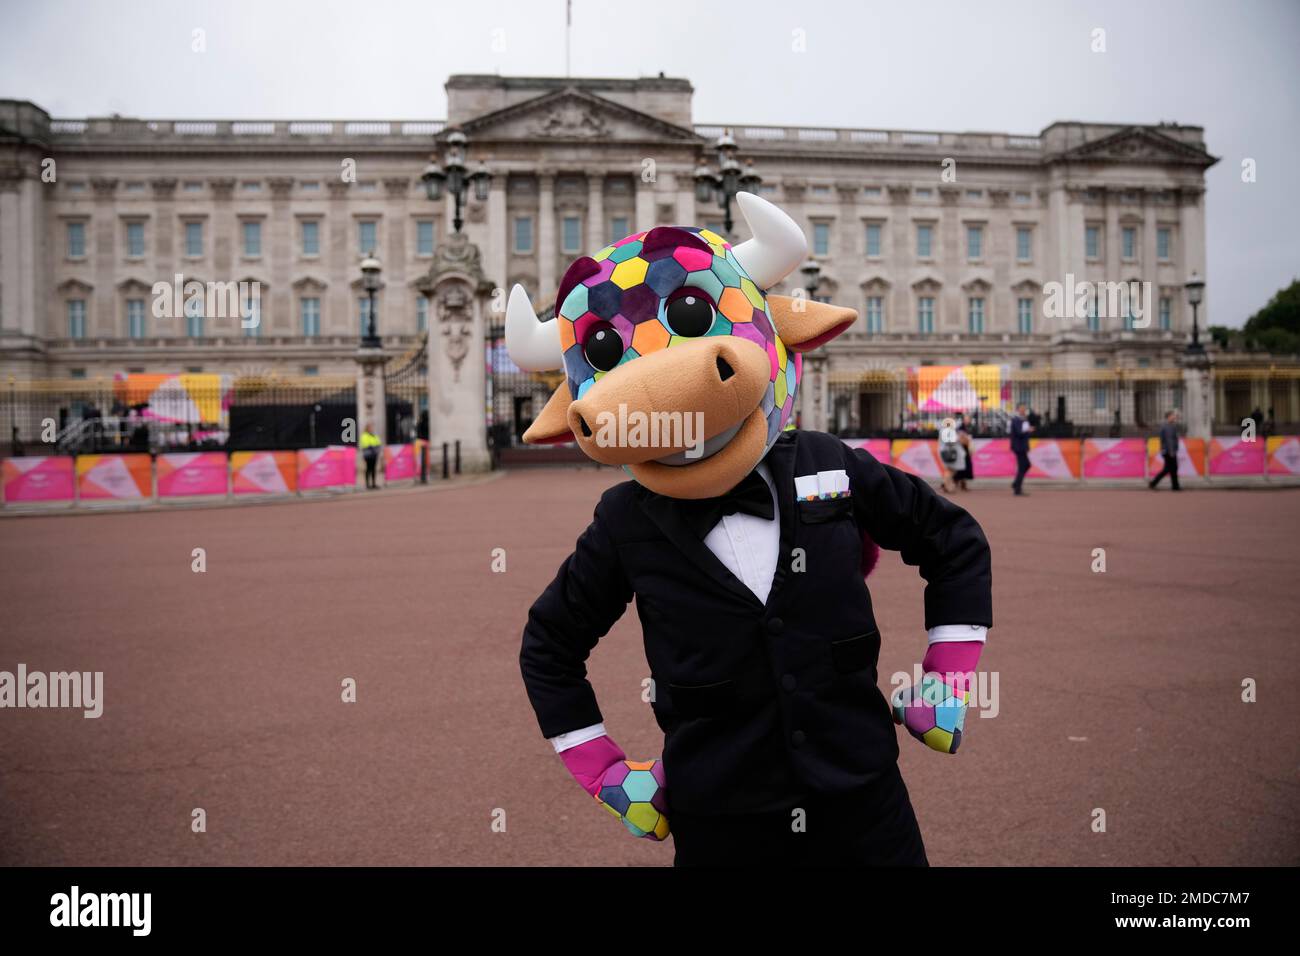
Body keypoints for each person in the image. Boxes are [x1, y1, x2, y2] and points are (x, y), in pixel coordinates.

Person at [514, 194, 992, 866]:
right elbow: (549, 645)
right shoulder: (625, 520)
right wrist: (606, 771)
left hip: (863, 799)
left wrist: (947, 678)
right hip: (721, 820)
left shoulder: (830, 463)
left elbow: (954, 543)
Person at [1149, 410, 1181, 491]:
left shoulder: (1170, 426)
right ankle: (1154, 483)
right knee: (1169, 468)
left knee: (1172, 468)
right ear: (1169, 417)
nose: (1174, 417)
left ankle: (1175, 486)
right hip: (1169, 451)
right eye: (1173, 415)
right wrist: (1171, 451)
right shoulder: (1168, 427)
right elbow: (1169, 440)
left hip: (1168, 450)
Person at [1009, 403, 1033, 496]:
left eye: (1024, 409)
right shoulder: (1016, 419)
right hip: (1018, 447)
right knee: (1023, 466)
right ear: (1018, 409)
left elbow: (1024, 434)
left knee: (1026, 465)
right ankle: (1017, 487)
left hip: (1022, 446)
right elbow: (1019, 432)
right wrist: (1028, 430)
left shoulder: (1024, 419)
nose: (1023, 410)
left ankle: (1016, 483)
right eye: (1021, 409)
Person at [937, 416, 965, 493]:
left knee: (951, 470)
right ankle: (947, 486)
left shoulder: (944, 430)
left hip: (947, 451)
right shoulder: (947, 431)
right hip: (949, 452)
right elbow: (950, 441)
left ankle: (947, 484)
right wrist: (958, 438)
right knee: (950, 470)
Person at [953, 412, 974, 490]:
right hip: (962, 449)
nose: (968, 420)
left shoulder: (967, 427)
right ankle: (957, 482)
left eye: (968, 419)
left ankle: (962, 483)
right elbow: (961, 439)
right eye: (967, 419)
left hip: (965, 449)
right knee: (961, 467)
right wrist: (967, 439)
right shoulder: (961, 427)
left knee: (965, 467)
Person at [360, 423, 381, 489]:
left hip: (374, 454)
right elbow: (365, 444)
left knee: (373, 469)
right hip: (368, 454)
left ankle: (373, 483)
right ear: (367, 428)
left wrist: (377, 448)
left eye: (372, 428)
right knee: (368, 469)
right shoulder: (364, 435)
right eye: (370, 428)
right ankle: (367, 484)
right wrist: (373, 448)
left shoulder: (374, 435)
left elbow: (378, 442)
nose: (371, 429)